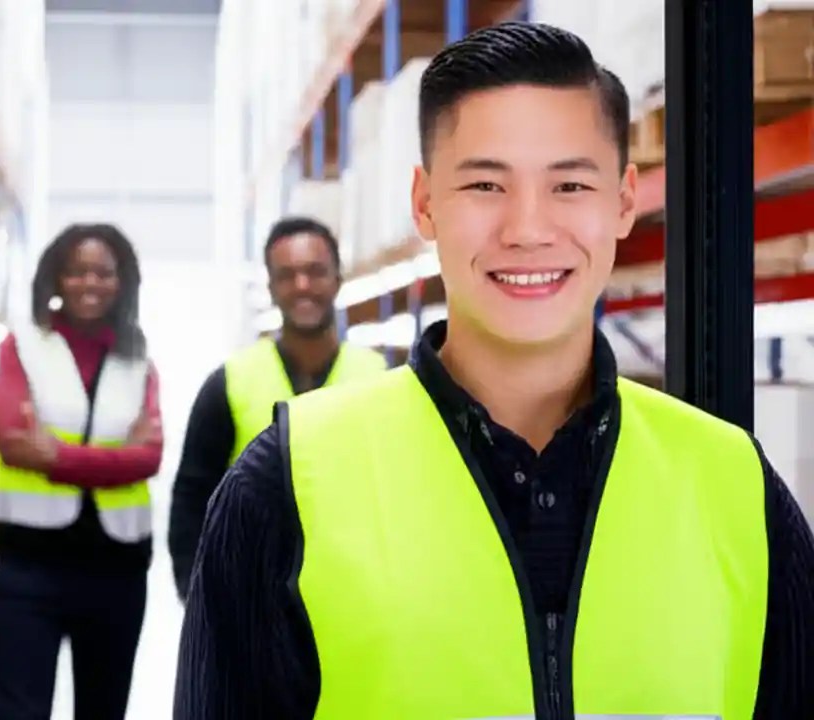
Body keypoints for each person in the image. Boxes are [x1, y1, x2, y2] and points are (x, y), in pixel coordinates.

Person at [174, 22, 814, 720]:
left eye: (570, 184)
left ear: (624, 201)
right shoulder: (285, 486)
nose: (528, 227)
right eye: (485, 184)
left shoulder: (736, 486)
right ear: (425, 204)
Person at [0, 223, 163, 720]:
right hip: (29, 569)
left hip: (118, 571)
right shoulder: (22, 346)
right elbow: (14, 445)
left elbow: (149, 457)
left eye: (104, 273)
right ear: (56, 279)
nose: (91, 283)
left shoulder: (139, 358)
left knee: (105, 711)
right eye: (77, 271)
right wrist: (114, 462)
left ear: (122, 281)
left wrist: (56, 456)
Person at [167, 216, 386, 600]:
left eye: (315, 272)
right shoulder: (230, 382)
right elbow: (192, 494)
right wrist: (194, 590)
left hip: (355, 593)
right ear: (271, 287)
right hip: (253, 591)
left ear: (337, 280)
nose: (302, 286)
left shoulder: (381, 379)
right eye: (287, 275)